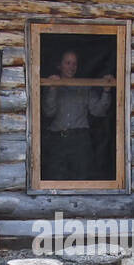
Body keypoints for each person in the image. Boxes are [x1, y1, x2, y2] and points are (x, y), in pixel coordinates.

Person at [41, 49, 110, 180]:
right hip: (57, 140)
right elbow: (48, 112)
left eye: (74, 64)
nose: (71, 67)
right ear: (59, 65)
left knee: (81, 178)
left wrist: (106, 91)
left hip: (80, 140)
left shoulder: (84, 87)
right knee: (56, 178)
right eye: (67, 63)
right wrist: (52, 89)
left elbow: (98, 111)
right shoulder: (51, 85)